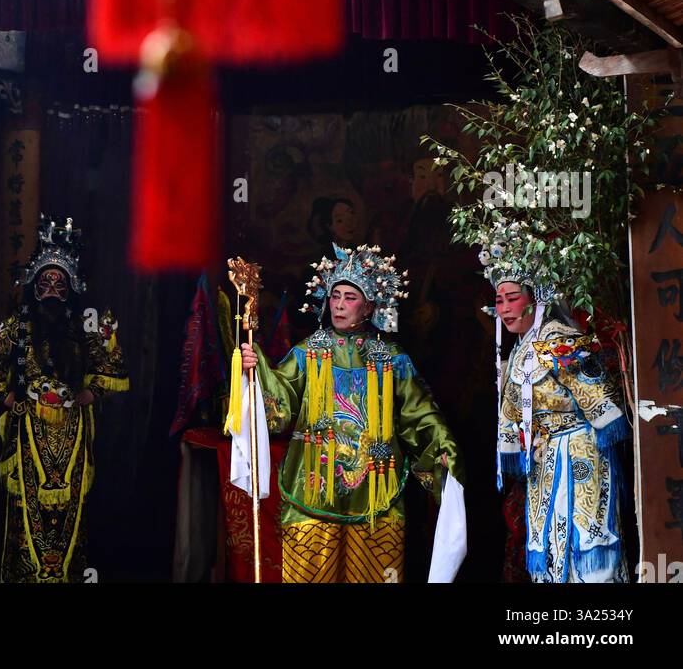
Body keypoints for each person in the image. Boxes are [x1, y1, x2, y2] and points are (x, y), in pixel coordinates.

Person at [241, 242, 463, 583]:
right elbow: (278, 408)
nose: (339, 305)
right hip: (312, 494)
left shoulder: (391, 360)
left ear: (370, 307)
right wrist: (256, 373)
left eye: (350, 297)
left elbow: (419, 416)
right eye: (335, 296)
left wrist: (443, 449)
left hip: (377, 497)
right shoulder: (306, 354)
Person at [0, 216, 128, 582]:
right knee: (24, 510)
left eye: (59, 283)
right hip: (28, 433)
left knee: (72, 512)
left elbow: (110, 366)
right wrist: (7, 396)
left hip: (72, 435)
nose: (51, 289)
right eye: (45, 282)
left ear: (71, 288)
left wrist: (88, 394)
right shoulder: (17, 329)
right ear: (34, 287)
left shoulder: (83, 330)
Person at [482, 240, 629, 583]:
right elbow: (510, 412)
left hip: (581, 452)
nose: (504, 308)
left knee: (587, 539)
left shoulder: (557, 339)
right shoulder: (519, 351)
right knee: (549, 544)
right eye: (499, 300)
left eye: (512, 298)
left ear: (536, 298)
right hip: (545, 459)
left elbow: (598, 400)